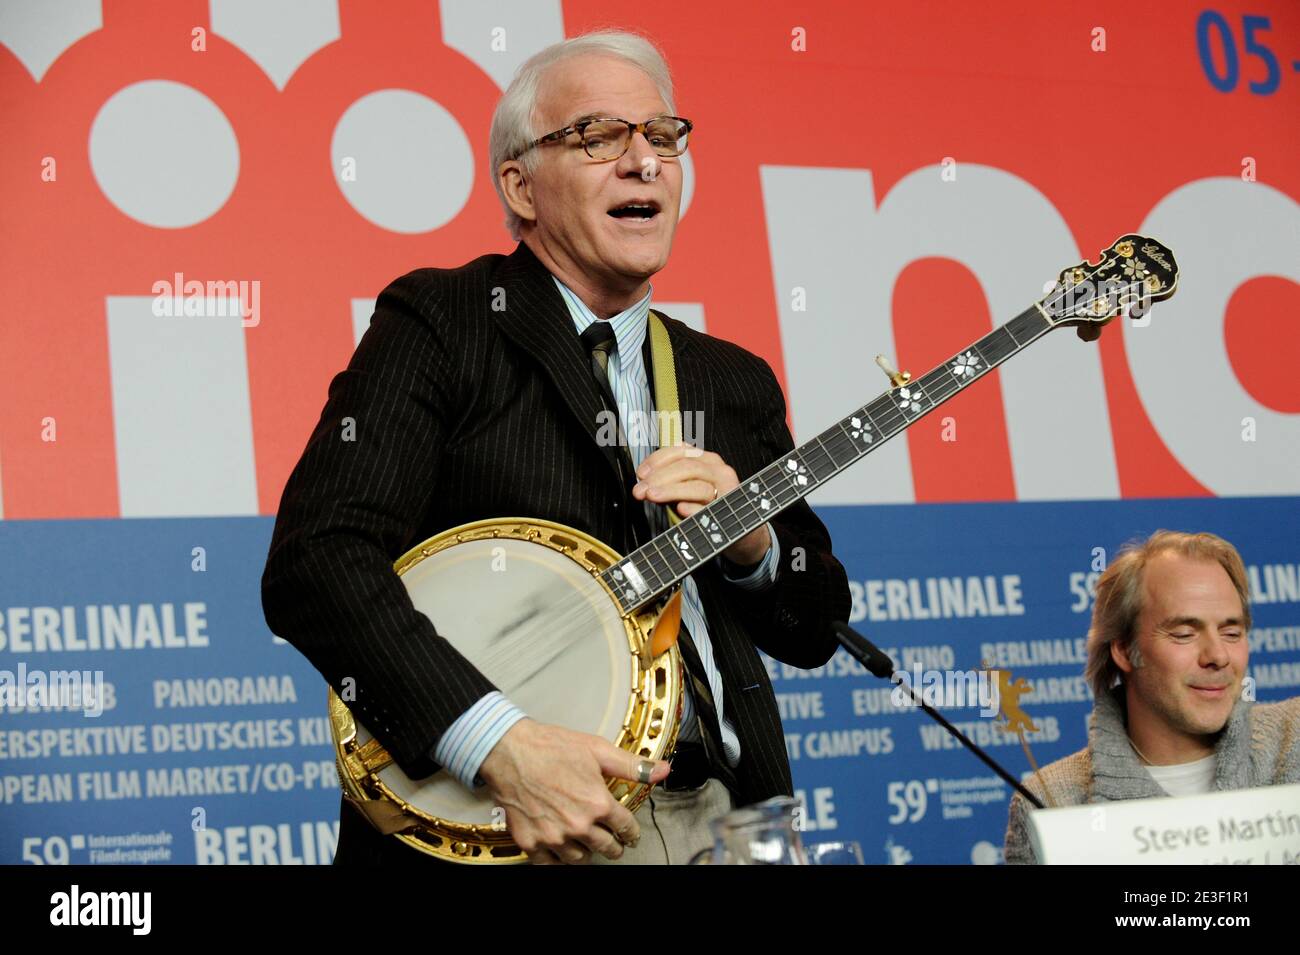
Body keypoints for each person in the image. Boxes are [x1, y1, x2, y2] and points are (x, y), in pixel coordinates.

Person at [260, 29, 850, 866]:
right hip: (520, 824)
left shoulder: (732, 378)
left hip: (731, 821)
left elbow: (816, 623)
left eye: (663, 135)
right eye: (599, 137)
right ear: (521, 185)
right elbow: (316, 560)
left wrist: (756, 548)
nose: (645, 161)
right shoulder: (442, 324)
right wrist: (501, 746)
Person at [1004, 530, 1300, 864]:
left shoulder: (1296, 739)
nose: (1218, 655)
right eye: (1184, 634)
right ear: (1124, 650)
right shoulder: (1051, 801)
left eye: (1232, 633)